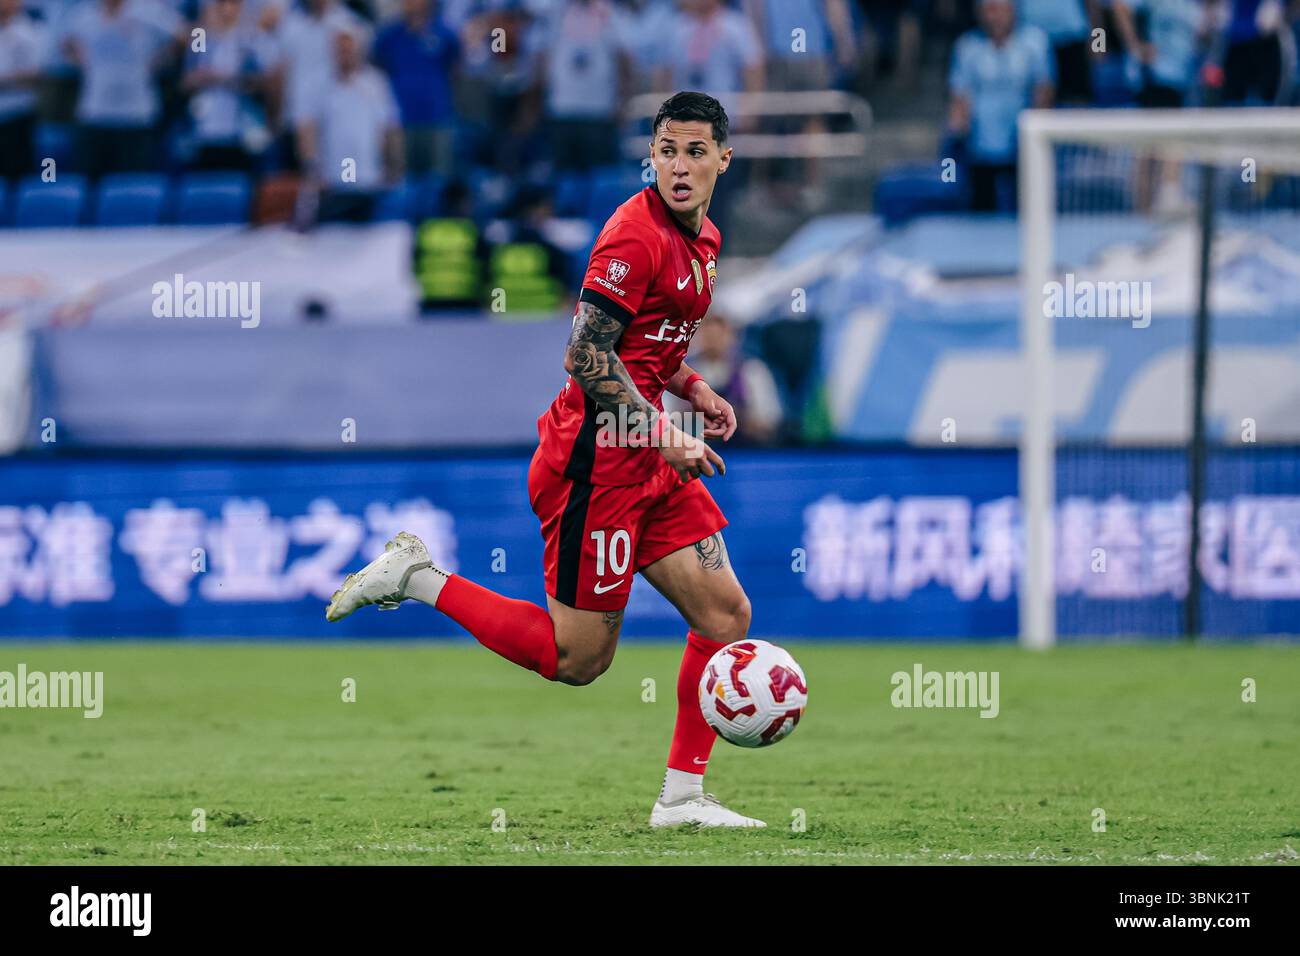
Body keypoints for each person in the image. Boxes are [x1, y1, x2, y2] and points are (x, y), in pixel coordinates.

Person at [327, 91, 768, 829]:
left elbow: (651, 345)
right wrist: (664, 432)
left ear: (724, 158)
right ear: (649, 155)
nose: (680, 165)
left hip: (647, 454)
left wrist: (695, 389)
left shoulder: (706, 241)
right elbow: (586, 354)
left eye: (696, 151)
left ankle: (683, 799)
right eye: (668, 149)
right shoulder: (635, 237)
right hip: (596, 467)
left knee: (725, 613)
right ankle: (416, 577)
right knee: (579, 660)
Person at [947, 0, 1054, 212]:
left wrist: (1034, 130)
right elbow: (960, 97)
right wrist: (956, 136)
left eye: (999, 10)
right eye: (988, 11)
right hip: (981, 141)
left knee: (1024, 207)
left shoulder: (1036, 42)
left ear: (1012, 11)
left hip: (1021, 139)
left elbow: (1043, 91)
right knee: (980, 205)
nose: (994, 17)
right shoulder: (966, 46)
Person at [296, 26, 403, 221]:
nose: (345, 54)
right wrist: (312, 168)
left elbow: (390, 127)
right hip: (332, 180)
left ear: (359, 50)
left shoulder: (376, 84)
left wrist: (393, 165)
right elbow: (307, 129)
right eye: (340, 49)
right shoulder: (319, 85)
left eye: (349, 49)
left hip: (369, 179)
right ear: (332, 51)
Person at [373, 0, 461, 178]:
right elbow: (378, 70)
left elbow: (454, 69)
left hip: (436, 120)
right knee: (403, 182)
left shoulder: (444, 33)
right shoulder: (389, 36)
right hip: (400, 121)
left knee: (438, 182)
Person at [0, 0, 47, 182]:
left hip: (17, 116)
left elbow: (38, 75)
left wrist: (4, 80)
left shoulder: (31, 32)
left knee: (16, 176)